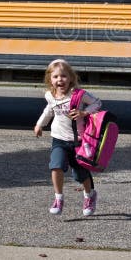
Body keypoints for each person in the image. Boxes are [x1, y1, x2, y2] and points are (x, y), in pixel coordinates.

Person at [34, 59, 101, 216]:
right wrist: (39, 125)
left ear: (71, 77)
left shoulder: (79, 94)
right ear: (50, 79)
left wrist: (84, 112)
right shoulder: (50, 96)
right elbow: (48, 111)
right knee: (55, 166)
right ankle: (58, 198)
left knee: (80, 174)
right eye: (56, 77)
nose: (60, 80)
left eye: (63, 76)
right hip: (58, 139)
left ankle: (90, 195)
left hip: (78, 141)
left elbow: (97, 103)